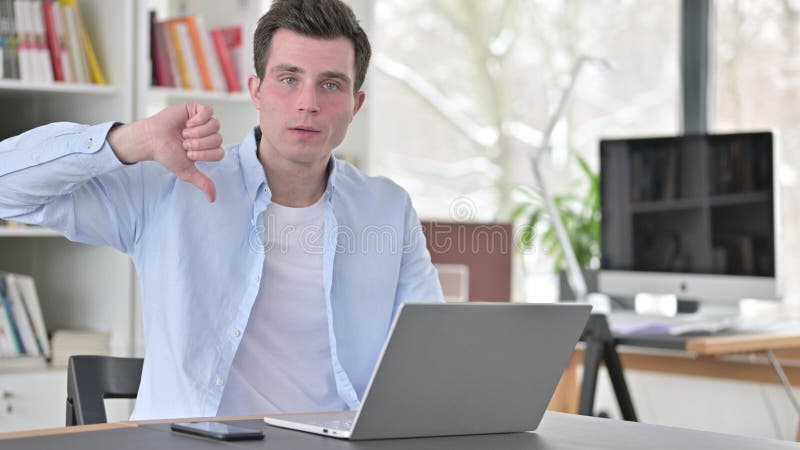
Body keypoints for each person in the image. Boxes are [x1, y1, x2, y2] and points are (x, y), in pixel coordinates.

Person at [0, 0, 442, 420]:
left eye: (330, 84)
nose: (308, 102)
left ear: (355, 105)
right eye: (288, 78)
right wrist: (130, 141)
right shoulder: (172, 186)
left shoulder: (388, 208)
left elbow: (429, 353)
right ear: (257, 90)